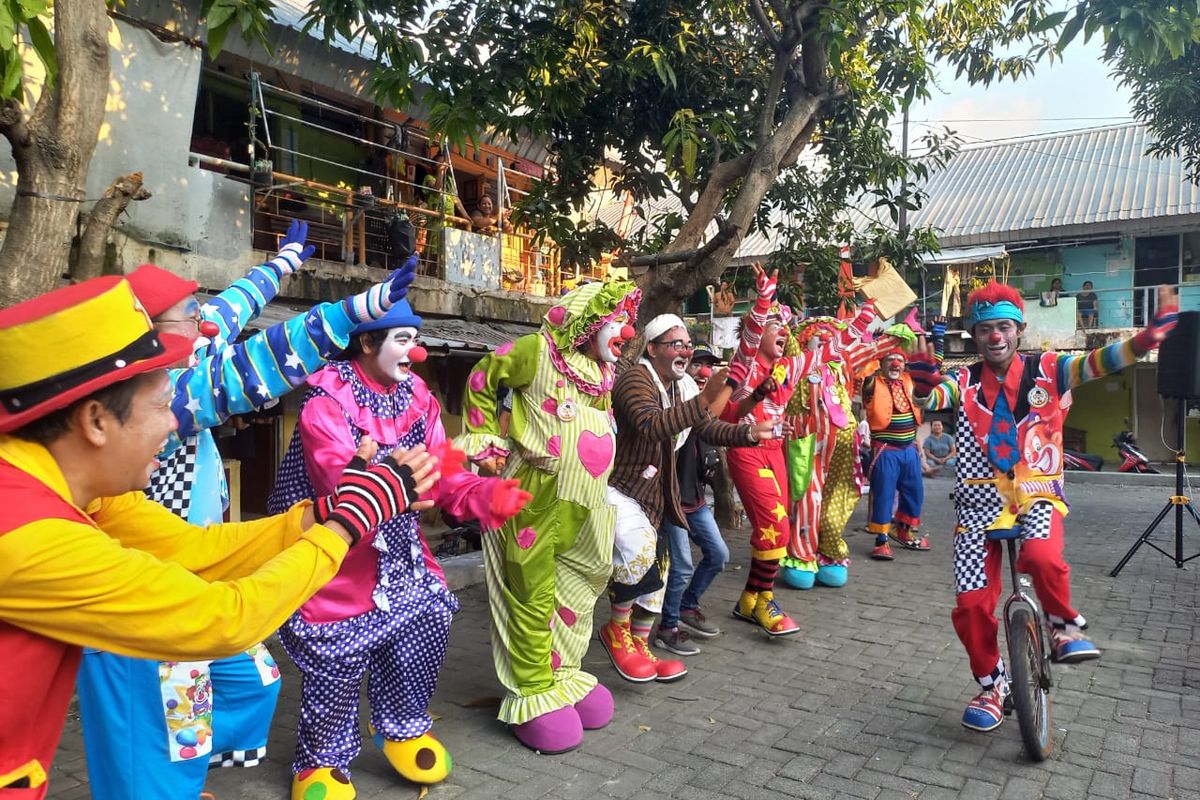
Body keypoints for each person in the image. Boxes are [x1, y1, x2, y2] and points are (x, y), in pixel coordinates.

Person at [0, 277, 438, 799]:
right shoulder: (26, 534)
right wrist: (350, 522)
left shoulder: (83, 491)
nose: (174, 425)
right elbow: (222, 618)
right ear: (95, 420)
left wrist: (325, 512)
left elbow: (196, 552)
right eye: (164, 405)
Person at [267, 300, 530, 798]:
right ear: (367, 343)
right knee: (336, 651)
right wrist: (430, 469)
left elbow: (443, 474)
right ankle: (320, 760)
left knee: (426, 616)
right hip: (337, 544)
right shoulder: (328, 399)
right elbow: (341, 480)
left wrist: (481, 495)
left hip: (399, 545)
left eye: (416, 337)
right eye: (403, 340)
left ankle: (404, 726)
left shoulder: (417, 396)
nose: (418, 351)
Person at [915, 282, 1178, 733]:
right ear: (975, 337)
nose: (994, 337)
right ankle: (992, 684)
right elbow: (935, 399)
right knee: (971, 604)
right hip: (977, 506)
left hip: (1037, 496)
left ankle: (1062, 626)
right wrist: (922, 384)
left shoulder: (1050, 370)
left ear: (1019, 330)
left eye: (1003, 327)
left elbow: (1099, 362)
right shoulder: (963, 380)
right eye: (984, 330)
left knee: (1040, 555)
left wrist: (1144, 342)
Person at [456, 281, 642, 754]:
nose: (628, 329)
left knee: (581, 587)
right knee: (530, 593)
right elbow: (482, 377)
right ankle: (532, 688)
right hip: (533, 496)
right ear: (589, 320)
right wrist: (482, 442)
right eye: (618, 319)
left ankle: (563, 672)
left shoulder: (601, 371)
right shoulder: (536, 350)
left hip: (586, 501)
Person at [602, 315, 768, 675]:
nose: (685, 351)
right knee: (640, 552)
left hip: (658, 497)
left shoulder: (682, 387)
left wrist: (749, 435)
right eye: (676, 344)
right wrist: (707, 397)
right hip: (620, 489)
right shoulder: (635, 380)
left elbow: (707, 425)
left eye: (687, 345)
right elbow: (650, 426)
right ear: (652, 348)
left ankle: (642, 647)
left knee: (659, 576)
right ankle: (615, 632)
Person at [863, 350, 928, 561]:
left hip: (909, 449)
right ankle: (881, 540)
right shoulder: (872, 382)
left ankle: (903, 530)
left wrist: (936, 340)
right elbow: (863, 370)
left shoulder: (909, 380)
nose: (895, 364)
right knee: (884, 494)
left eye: (900, 360)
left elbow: (930, 369)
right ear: (880, 362)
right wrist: (877, 347)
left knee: (914, 492)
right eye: (890, 359)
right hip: (885, 449)